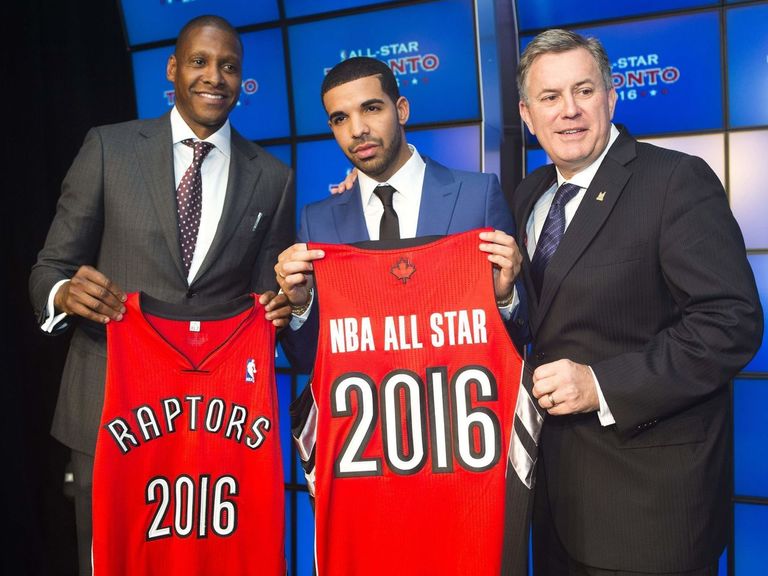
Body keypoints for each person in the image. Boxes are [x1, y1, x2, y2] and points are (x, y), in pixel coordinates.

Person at [29, 15, 294, 575]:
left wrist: (283, 305)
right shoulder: (109, 147)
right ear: (173, 69)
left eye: (228, 66)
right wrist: (62, 293)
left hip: (215, 430)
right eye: (200, 62)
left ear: (243, 79)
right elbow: (49, 267)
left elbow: (267, 296)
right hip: (107, 412)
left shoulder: (273, 176)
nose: (213, 77)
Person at [513, 29, 762, 575]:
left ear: (612, 96)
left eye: (584, 90)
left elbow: (732, 323)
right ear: (528, 116)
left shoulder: (675, 180)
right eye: (550, 98)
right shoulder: (527, 195)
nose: (569, 111)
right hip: (553, 503)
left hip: (650, 512)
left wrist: (600, 383)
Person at [277, 56, 527, 370]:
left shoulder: (477, 196)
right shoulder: (318, 223)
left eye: (371, 108)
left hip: (459, 409)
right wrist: (300, 307)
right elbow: (306, 360)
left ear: (401, 110)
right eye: (341, 118)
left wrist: (505, 299)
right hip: (364, 414)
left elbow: (520, 336)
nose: (357, 129)